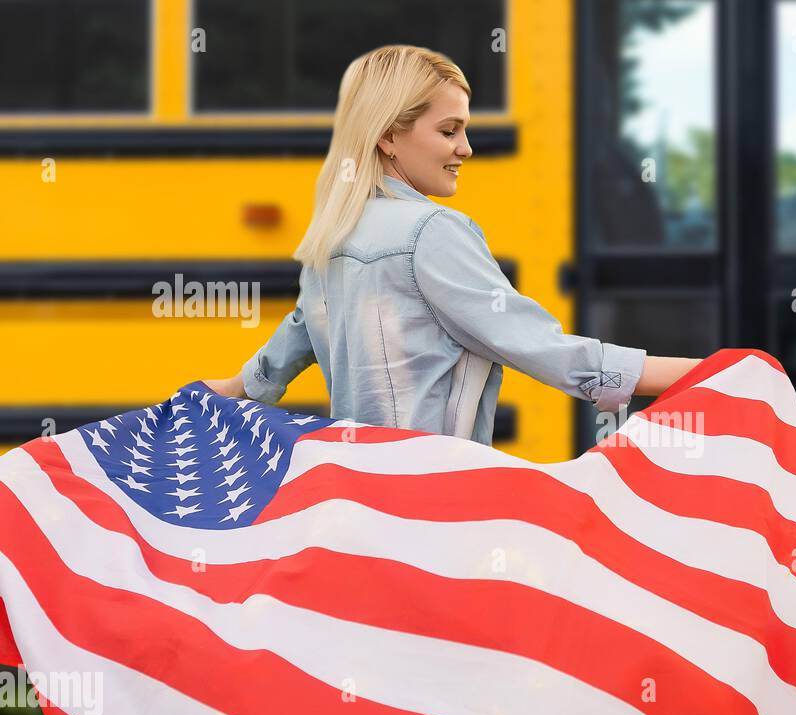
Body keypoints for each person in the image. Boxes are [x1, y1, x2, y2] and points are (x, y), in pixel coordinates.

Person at [204, 44, 700, 443]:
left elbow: (297, 334)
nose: (466, 148)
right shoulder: (433, 232)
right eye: (449, 130)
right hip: (432, 503)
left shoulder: (332, 237)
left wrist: (236, 388)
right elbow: (540, 347)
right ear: (388, 136)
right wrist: (705, 374)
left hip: (356, 496)